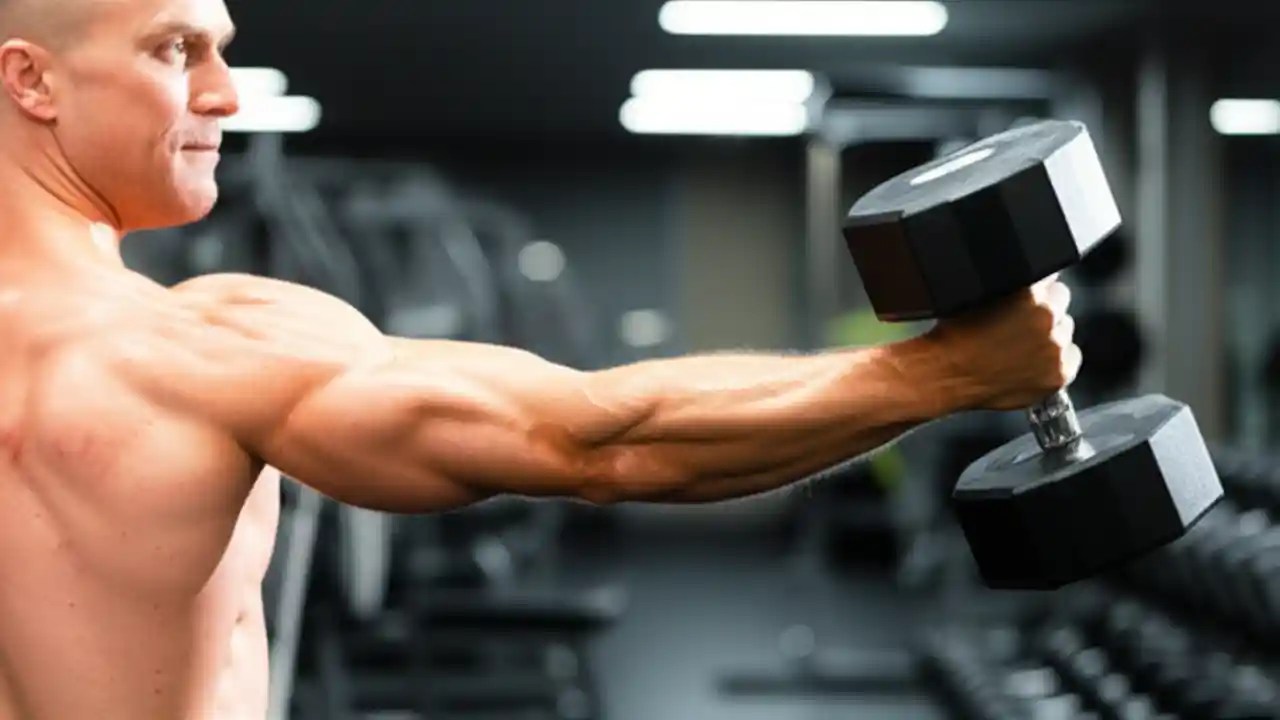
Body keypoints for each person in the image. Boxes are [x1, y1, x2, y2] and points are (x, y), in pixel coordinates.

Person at [0, 0, 1080, 718]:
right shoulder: (201, 346)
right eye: (175, 49)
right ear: (33, 82)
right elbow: (596, 440)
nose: (227, 93)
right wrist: (945, 373)